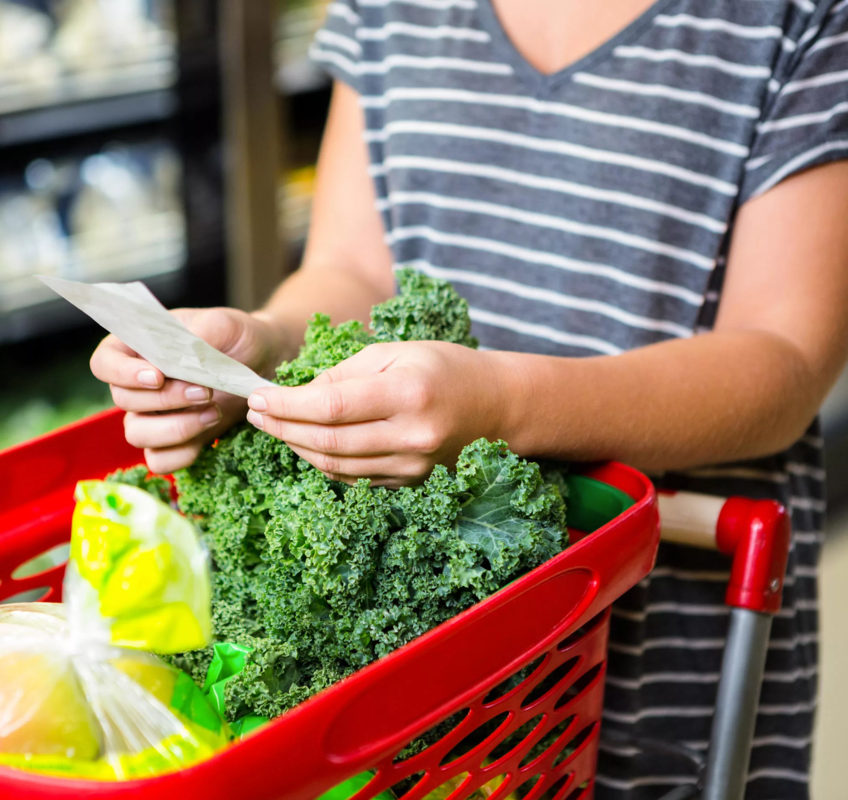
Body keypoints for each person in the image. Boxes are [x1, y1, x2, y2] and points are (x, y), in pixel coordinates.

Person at [90, 0, 848, 796]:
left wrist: (502, 410)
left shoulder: (794, 19)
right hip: (421, 693)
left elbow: (786, 362)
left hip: (664, 654)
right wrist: (266, 339)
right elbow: (355, 271)